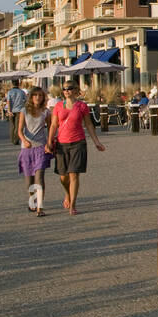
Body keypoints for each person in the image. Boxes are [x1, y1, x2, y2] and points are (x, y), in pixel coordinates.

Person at [45, 81, 105, 216]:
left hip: (78, 142)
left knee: (74, 174)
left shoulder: (82, 106)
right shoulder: (59, 106)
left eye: (69, 88)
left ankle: (73, 204)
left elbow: (89, 124)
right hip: (61, 143)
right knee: (63, 177)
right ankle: (67, 194)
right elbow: (54, 125)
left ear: (75, 90)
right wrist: (49, 141)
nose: (66, 91)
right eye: (64, 89)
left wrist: (96, 142)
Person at [18, 86, 52, 216]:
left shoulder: (46, 112)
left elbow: (50, 128)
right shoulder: (24, 111)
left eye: (40, 95)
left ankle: (40, 207)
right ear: (31, 97)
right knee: (29, 182)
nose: (38, 97)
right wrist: (24, 140)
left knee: (39, 177)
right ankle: (32, 200)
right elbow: (20, 130)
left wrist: (49, 143)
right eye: (35, 95)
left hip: (40, 147)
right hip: (27, 148)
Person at [6, 80, 27, 145]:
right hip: (19, 110)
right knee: (18, 126)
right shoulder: (22, 92)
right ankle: (16, 140)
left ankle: (12, 139)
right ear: (19, 84)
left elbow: (8, 102)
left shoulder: (9, 92)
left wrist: (9, 110)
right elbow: (26, 100)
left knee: (12, 125)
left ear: (12, 84)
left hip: (12, 110)